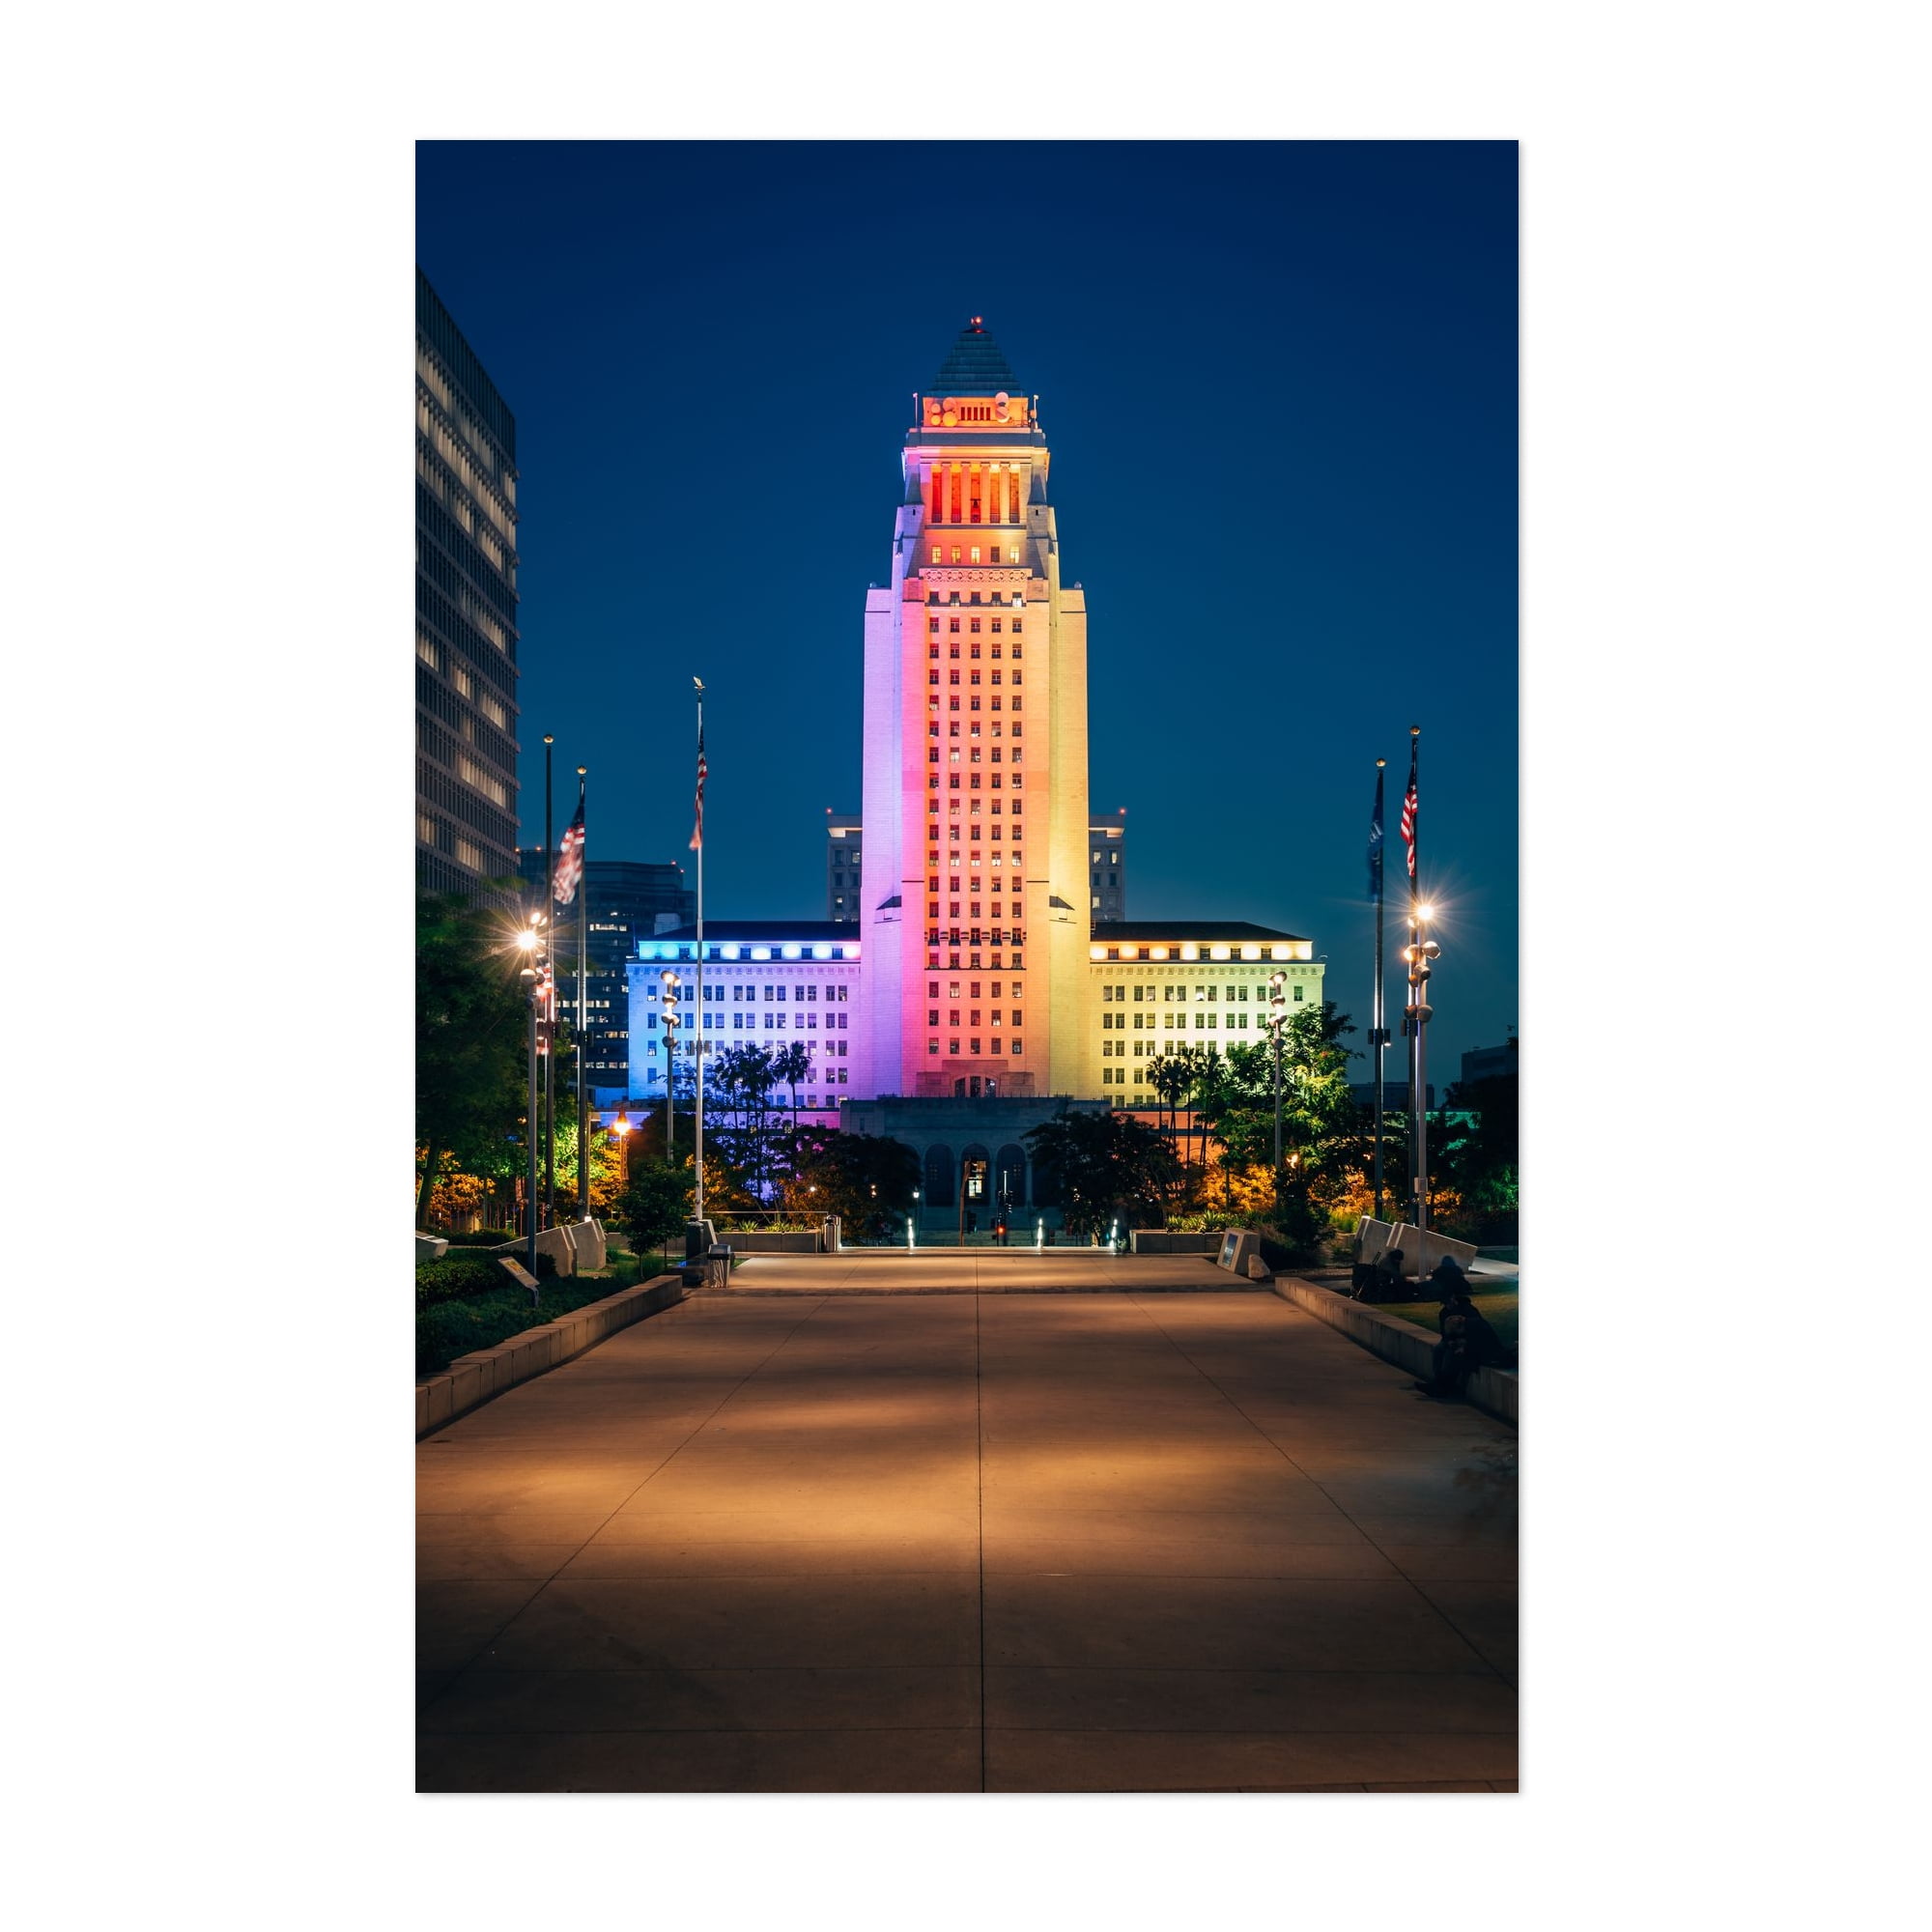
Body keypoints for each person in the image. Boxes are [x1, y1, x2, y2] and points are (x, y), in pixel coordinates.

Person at [1413, 1286, 1506, 1399]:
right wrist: (1450, 1341)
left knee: (1451, 1355)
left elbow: (1476, 1340)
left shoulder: (1469, 1312)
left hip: (1469, 1344)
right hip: (1454, 1340)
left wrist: (1463, 1346)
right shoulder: (1444, 1313)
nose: (1447, 1306)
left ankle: (1442, 1386)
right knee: (1439, 1349)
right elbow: (1445, 1333)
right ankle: (1438, 1381)